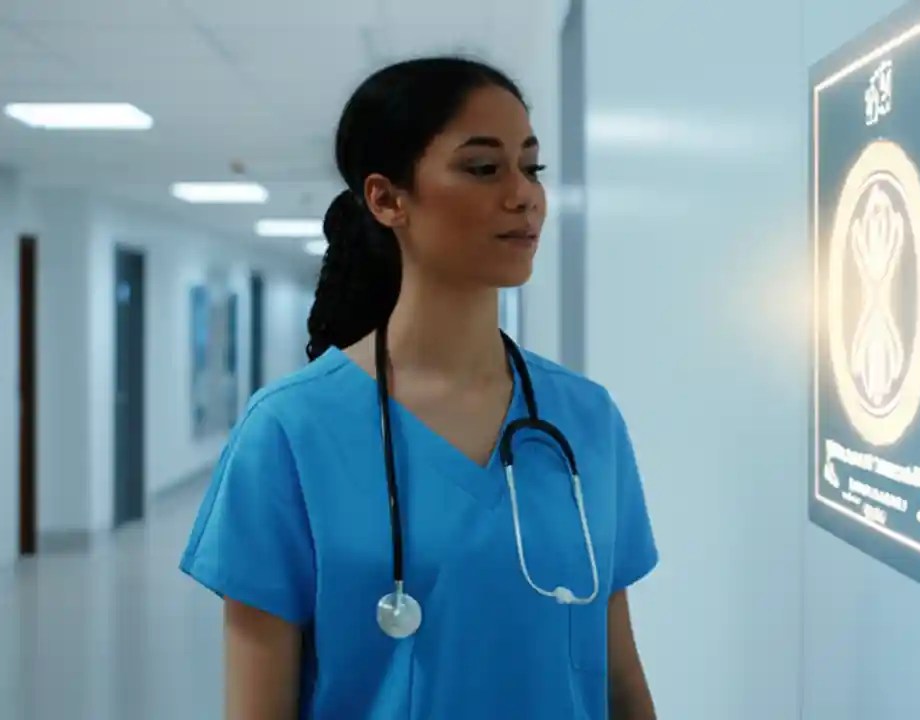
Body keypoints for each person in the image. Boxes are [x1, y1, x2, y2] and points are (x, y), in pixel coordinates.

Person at [179, 56, 660, 719]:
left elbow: (621, 682)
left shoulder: (584, 419)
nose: (523, 194)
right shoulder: (291, 431)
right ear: (386, 198)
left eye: (532, 166)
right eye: (484, 168)